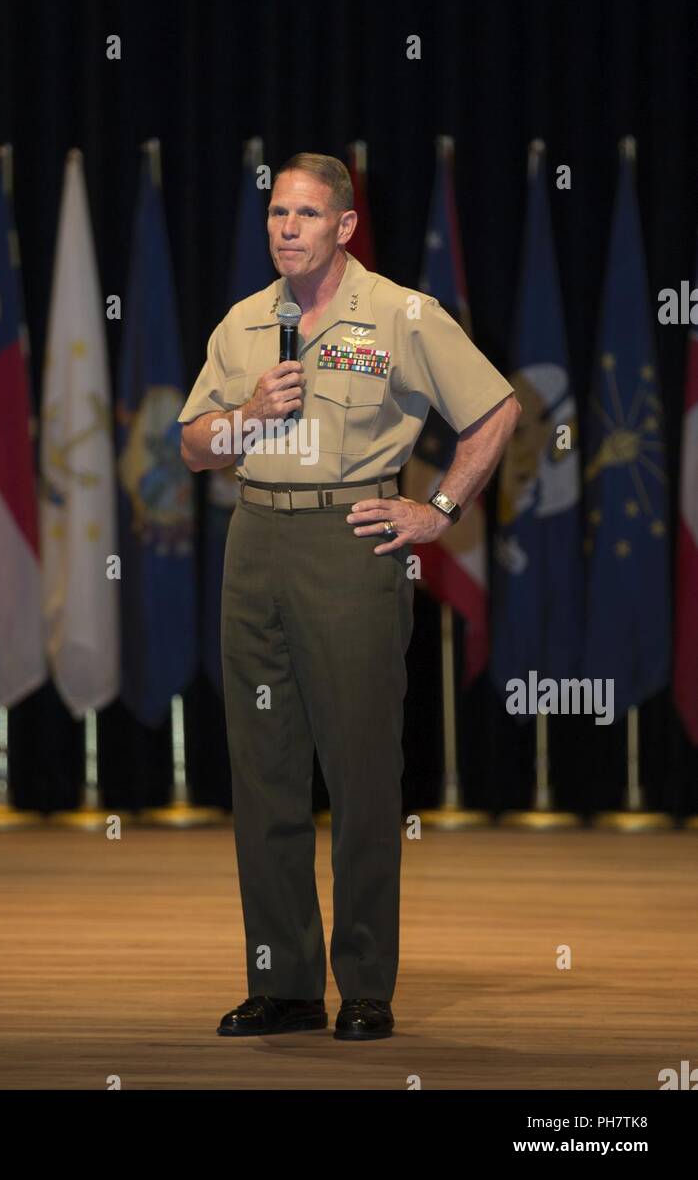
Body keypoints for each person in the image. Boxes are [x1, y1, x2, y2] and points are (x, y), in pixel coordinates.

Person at [178, 153, 520, 1040]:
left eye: (305, 214)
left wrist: (438, 509)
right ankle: (283, 982)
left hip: (350, 541)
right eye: (276, 215)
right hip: (255, 541)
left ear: (345, 226)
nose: (286, 229)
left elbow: (496, 409)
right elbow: (191, 445)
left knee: (362, 774)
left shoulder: (403, 314)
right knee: (263, 776)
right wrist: (245, 415)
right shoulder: (246, 321)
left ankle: (365, 982)